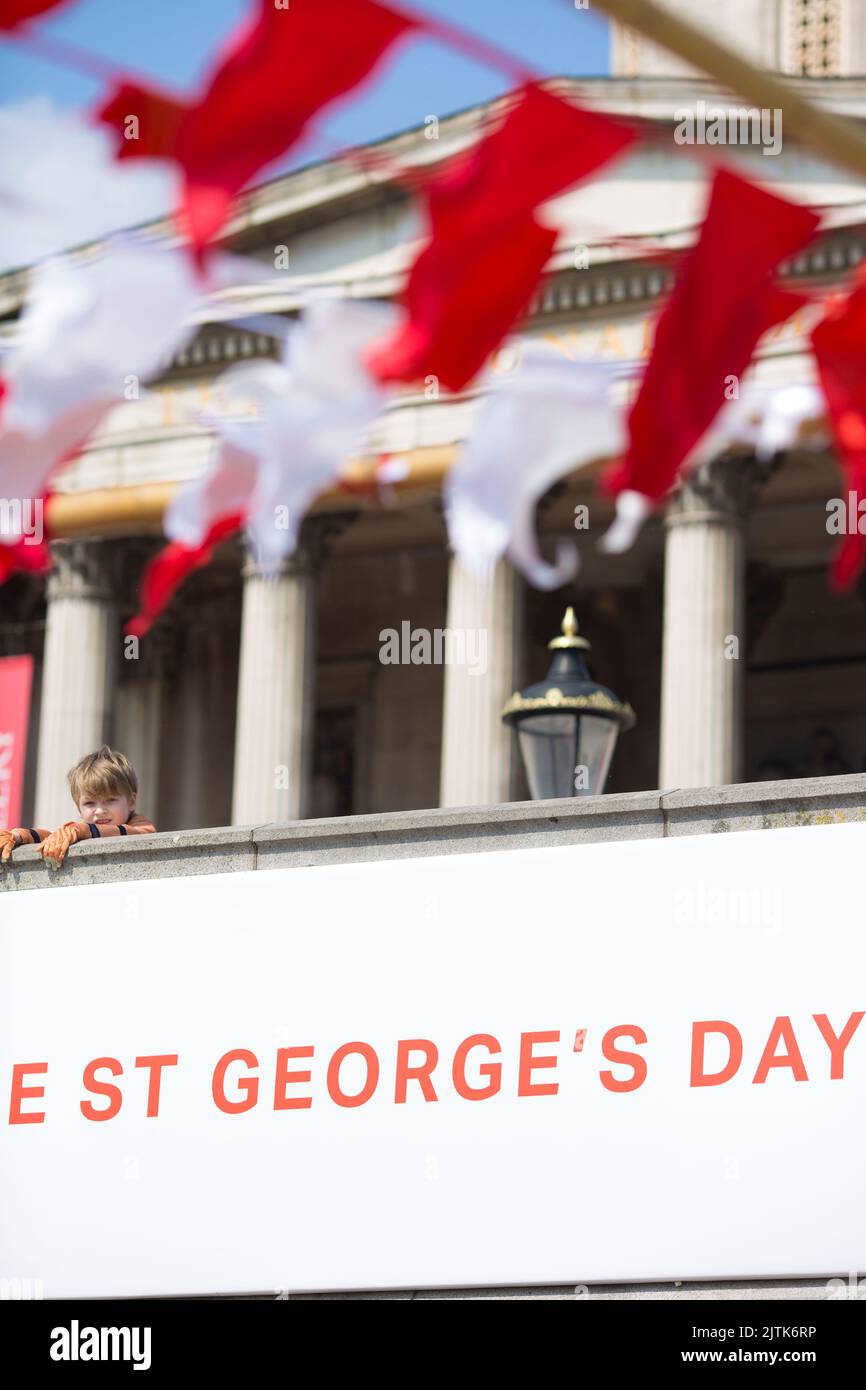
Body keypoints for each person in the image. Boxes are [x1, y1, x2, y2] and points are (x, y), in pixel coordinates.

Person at [0, 745, 156, 869]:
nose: (100, 810)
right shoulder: (81, 831)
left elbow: (142, 834)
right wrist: (18, 836)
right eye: (89, 803)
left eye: (110, 800)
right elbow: (51, 837)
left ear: (131, 802)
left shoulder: (140, 824)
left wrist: (85, 830)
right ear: (78, 808)